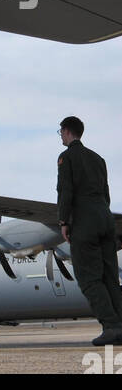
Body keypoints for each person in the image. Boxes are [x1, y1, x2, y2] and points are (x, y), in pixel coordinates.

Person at [57, 116, 122, 346]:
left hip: (85, 223)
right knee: (110, 277)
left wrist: (64, 221)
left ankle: (111, 326)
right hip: (106, 219)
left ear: (66, 132)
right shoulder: (98, 159)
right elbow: (106, 194)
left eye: (60, 132)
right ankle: (120, 326)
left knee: (89, 279)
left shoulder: (66, 158)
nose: (61, 137)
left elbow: (66, 192)